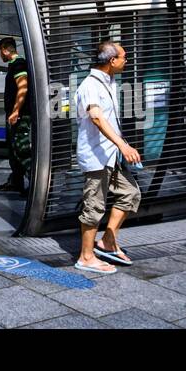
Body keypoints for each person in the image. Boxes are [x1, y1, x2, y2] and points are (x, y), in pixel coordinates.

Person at [74, 41, 141, 274]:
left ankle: (107, 243)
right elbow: (96, 117)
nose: (126, 60)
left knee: (130, 194)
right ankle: (86, 257)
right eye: (124, 57)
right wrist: (123, 145)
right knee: (94, 206)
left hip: (110, 155)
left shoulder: (109, 82)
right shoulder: (90, 85)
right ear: (112, 61)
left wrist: (121, 146)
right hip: (96, 156)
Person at [0, 37, 30, 193]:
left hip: (20, 116)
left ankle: (34, 185)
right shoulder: (13, 66)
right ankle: (16, 182)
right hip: (13, 115)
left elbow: (23, 88)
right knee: (13, 150)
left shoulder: (18, 64)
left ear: (5, 49)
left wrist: (16, 111)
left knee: (21, 148)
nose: (0, 56)